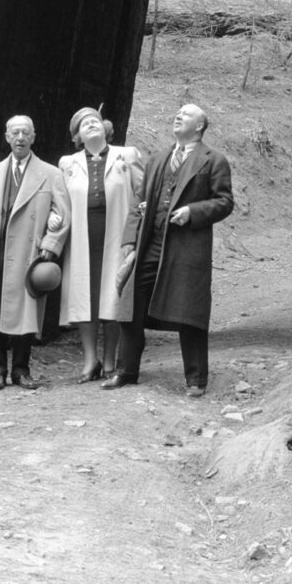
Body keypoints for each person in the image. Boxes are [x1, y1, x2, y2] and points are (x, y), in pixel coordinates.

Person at [104, 103, 233, 397]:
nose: (178, 116)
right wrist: (129, 240)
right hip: (150, 243)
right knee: (130, 305)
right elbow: (138, 201)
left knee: (190, 311)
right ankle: (126, 371)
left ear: (199, 126)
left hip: (187, 247)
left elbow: (225, 202)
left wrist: (192, 211)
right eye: (177, 113)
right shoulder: (158, 159)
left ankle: (196, 379)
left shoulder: (214, 160)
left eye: (186, 115)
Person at [0, 115, 70, 390]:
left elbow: (63, 213)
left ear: (33, 137)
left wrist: (50, 245)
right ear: (7, 137)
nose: (20, 138)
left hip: (29, 253)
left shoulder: (51, 174)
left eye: (26, 132)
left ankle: (21, 370)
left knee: (26, 311)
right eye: (15, 133)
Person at [58, 106, 146, 383]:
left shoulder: (126, 155)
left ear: (105, 127)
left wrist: (137, 232)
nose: (91, 125)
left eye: (94, 120)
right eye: (84, 124)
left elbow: (142, 195)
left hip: (117, 236)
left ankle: (109, 360)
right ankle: (90, 360)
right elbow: (60, 203)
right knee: (84, 295)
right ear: (78, 136)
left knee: (113, 294)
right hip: (81, 237)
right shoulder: (67, 164)